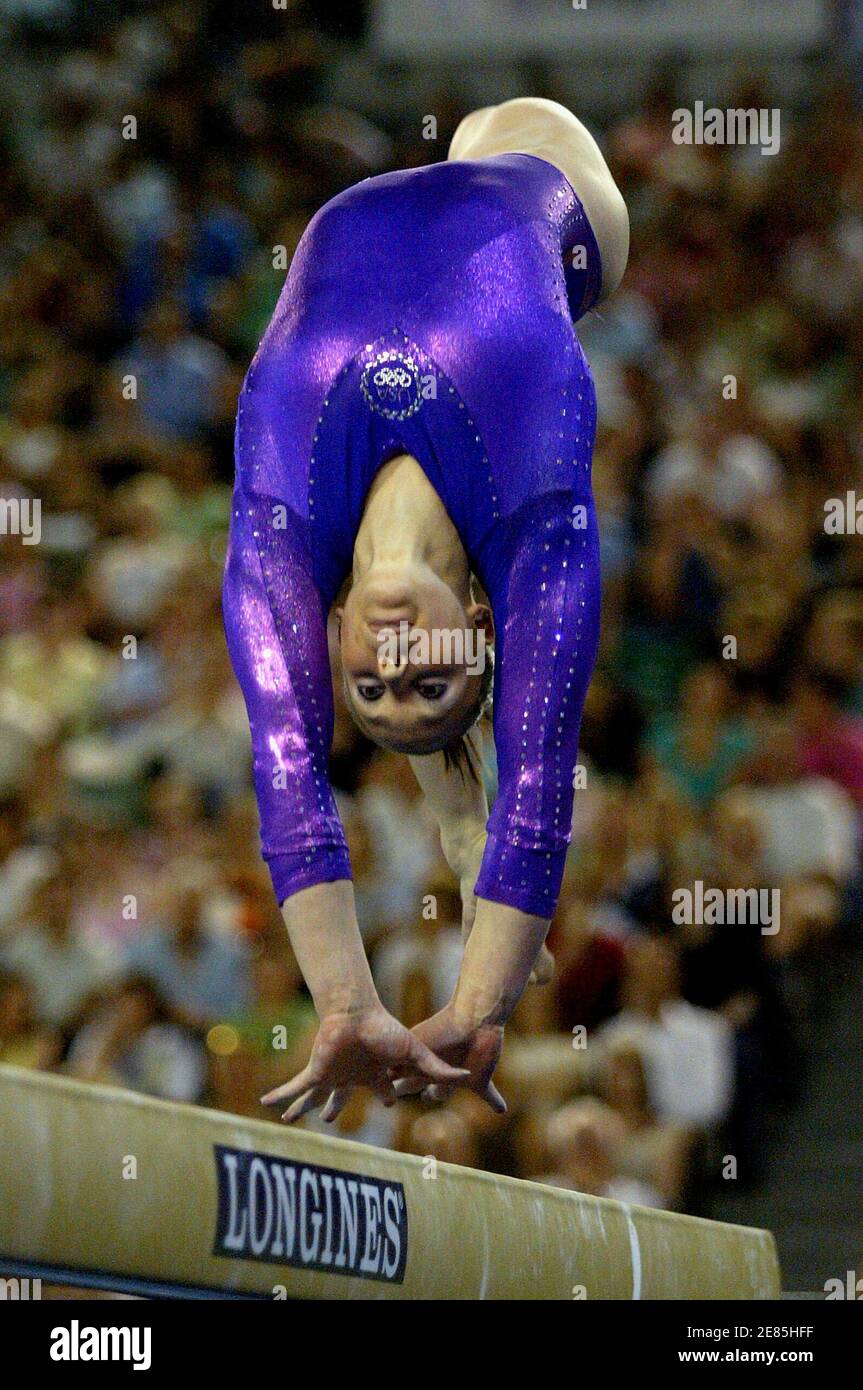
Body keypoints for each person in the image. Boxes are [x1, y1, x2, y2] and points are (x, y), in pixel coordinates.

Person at [222, 98, 628, 1121]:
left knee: (446, 772)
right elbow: (537, 780)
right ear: (485, 631)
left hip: (356, 207)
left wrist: (346, 1002)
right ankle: (456, 809)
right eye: (431, 676)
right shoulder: (538, 522)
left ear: (333, 636)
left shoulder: (278, 524)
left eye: (375, 681)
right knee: (501, 126)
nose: (398, 654)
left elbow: (286, 763)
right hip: (551, 188)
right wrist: (478, 1004)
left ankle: (452, 810)